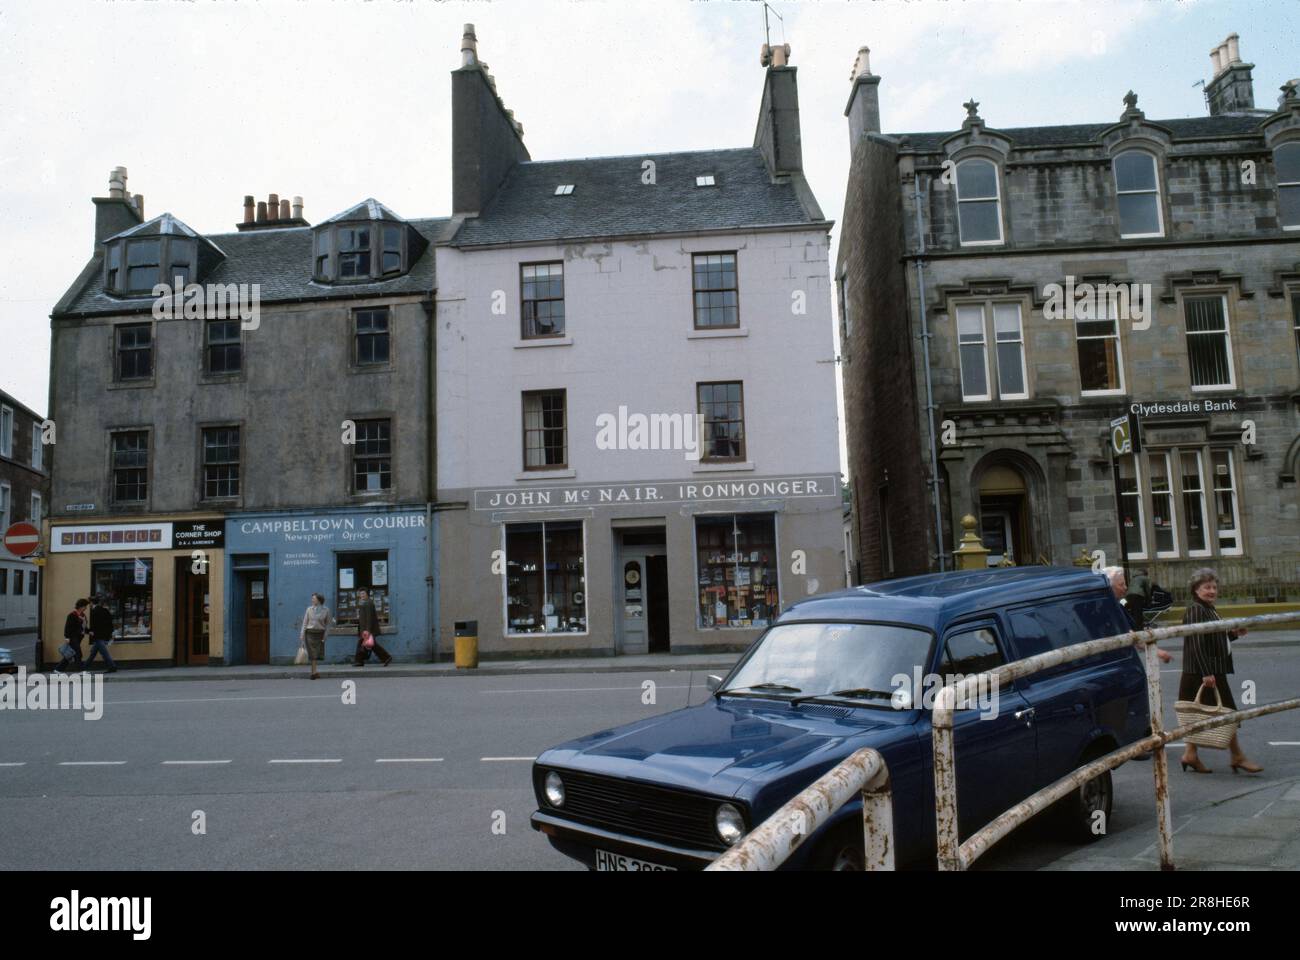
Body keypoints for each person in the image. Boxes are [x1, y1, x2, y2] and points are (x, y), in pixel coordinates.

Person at [1178, 568, 1261, 775]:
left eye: (1214, 587)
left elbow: (1213, 640)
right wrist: (1206, 673)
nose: (1212, 590)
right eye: (1207, 587)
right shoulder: (1197, 610)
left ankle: (1191, 754)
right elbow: (1196, 643)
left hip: (1208, 670)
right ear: (1196, 590)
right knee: (1226, 713)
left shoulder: (1208, 609)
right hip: (1202, 672)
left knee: (1199, 714)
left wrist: (1232, 635)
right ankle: (1237, 756)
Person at [1103, 565, 1173, 662]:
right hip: (1138, 596)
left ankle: (1137, 626)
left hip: (1128, 598)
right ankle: (1138, 627)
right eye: (1121, 584)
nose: (1125, 587)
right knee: (1138, 614)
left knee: (1129, 610)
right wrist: (1148, 601)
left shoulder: (1133, 579)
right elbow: (1148, 591)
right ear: (1109, 588)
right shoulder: (1111, 609)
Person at [352, 589, 393, 666]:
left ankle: (359, 661)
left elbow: (369, 618)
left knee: (367, 644)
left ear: (367, 594)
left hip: (367, 630)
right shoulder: (365, 603)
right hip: (366, 629)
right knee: (370, 645)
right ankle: (360, 661)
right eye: (361, 594)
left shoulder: (368, 603)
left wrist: (367, 630)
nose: (362, 595)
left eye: (363, 594)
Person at [300, 592, 332, 680]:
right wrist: (302, 634)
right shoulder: (309, 609)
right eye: (312, 598)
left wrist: (325, 636)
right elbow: (305, 623)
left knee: (317, 654)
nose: (312, 600)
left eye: (314, 598)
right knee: (312, 654)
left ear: (319, 600)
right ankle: (313, 672)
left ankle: (315, 672)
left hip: (320, 633)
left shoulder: (326, 610)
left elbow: (328, 624)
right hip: (310, 633)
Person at [83, 595, 119, 673]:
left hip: (98, 636)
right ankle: (84, 667)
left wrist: (89, 631)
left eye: (89, 603)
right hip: (103, 635)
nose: (89, 605)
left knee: (104, 653)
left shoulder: (95, 611)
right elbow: (110, 623)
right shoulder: (104, 610)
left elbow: (95, 625)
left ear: (92, 603)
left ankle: (112, 666)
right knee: (93, 653)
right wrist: (110, 633)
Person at [55, 598, 90, 672]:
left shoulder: (83, 616)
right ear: (81, 606)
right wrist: (67, 637)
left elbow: (84, 627)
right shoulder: (72, 615)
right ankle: (80, 671)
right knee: (78, 653)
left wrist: (89, 632)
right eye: (85, 606)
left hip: (79, 638)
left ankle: (58, 669)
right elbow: (67, 627)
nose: (86, 608)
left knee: (71, 654)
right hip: (72, 637)